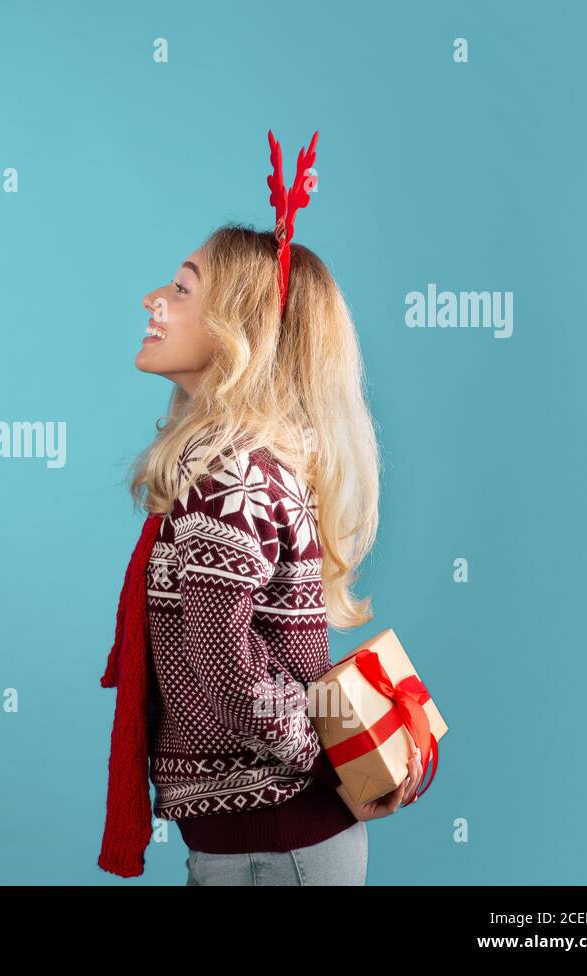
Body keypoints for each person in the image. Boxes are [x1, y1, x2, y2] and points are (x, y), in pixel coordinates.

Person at [97, 167, 421, 884]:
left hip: (271, 842)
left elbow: (225, 665)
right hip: (263, 840)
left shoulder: (228, 477)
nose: (153, 301)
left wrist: (329, 760)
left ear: (234, 332)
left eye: (182, 289)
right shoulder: (248, 462)